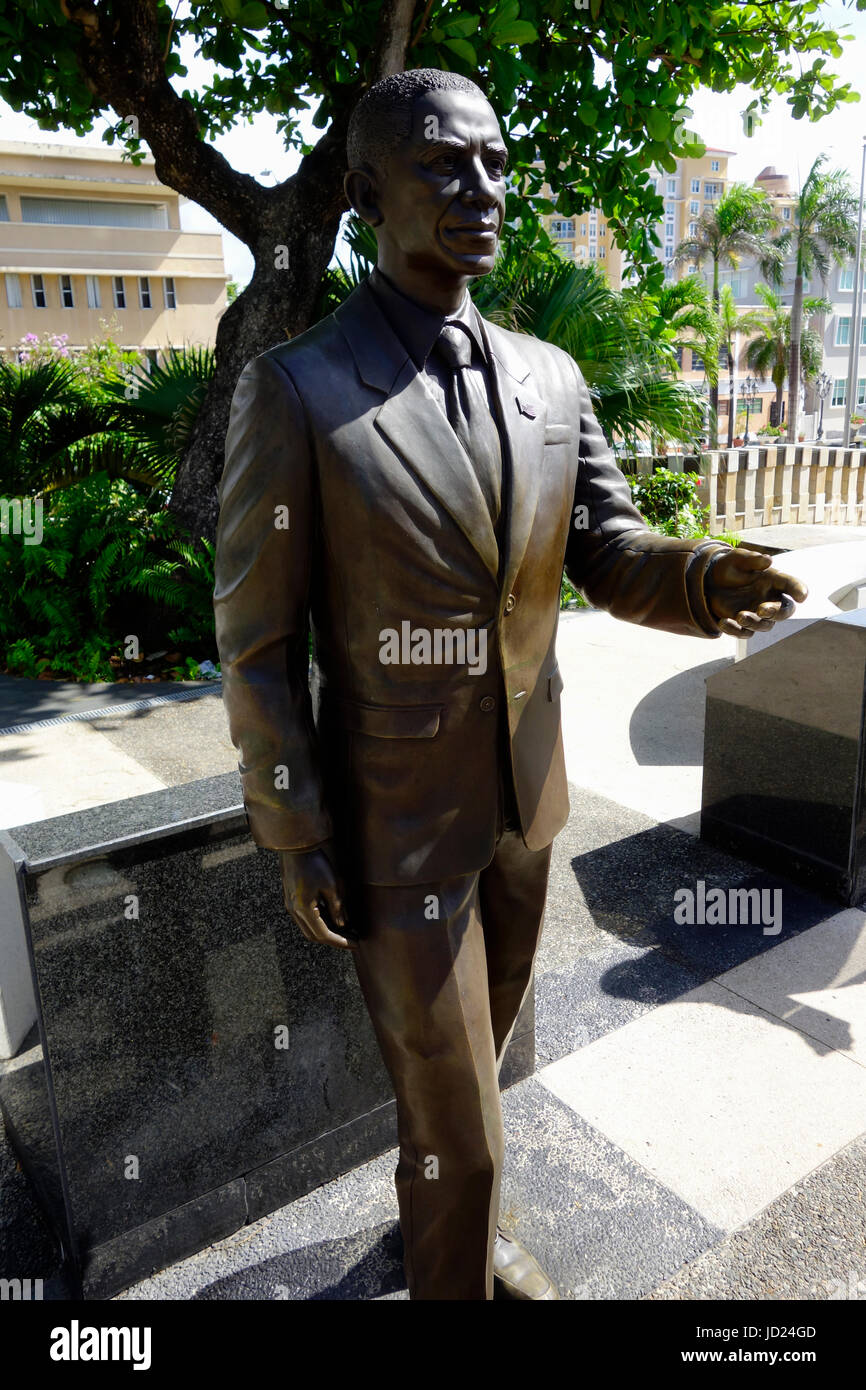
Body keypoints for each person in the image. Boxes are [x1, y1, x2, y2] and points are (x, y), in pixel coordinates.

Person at [213, 67, 807, 1301]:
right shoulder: (299, 391)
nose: (479, 188)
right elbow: (255, 638)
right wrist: (292, 822)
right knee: (467, 1127)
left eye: (491, 162)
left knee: (474, 1083)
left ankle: (450, 1225)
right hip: (389, 828)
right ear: (371, 191)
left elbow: (606, 547)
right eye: (442, 164)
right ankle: (460, 1269)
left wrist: (700, 580)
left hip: (523, 808)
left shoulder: (550, 378)